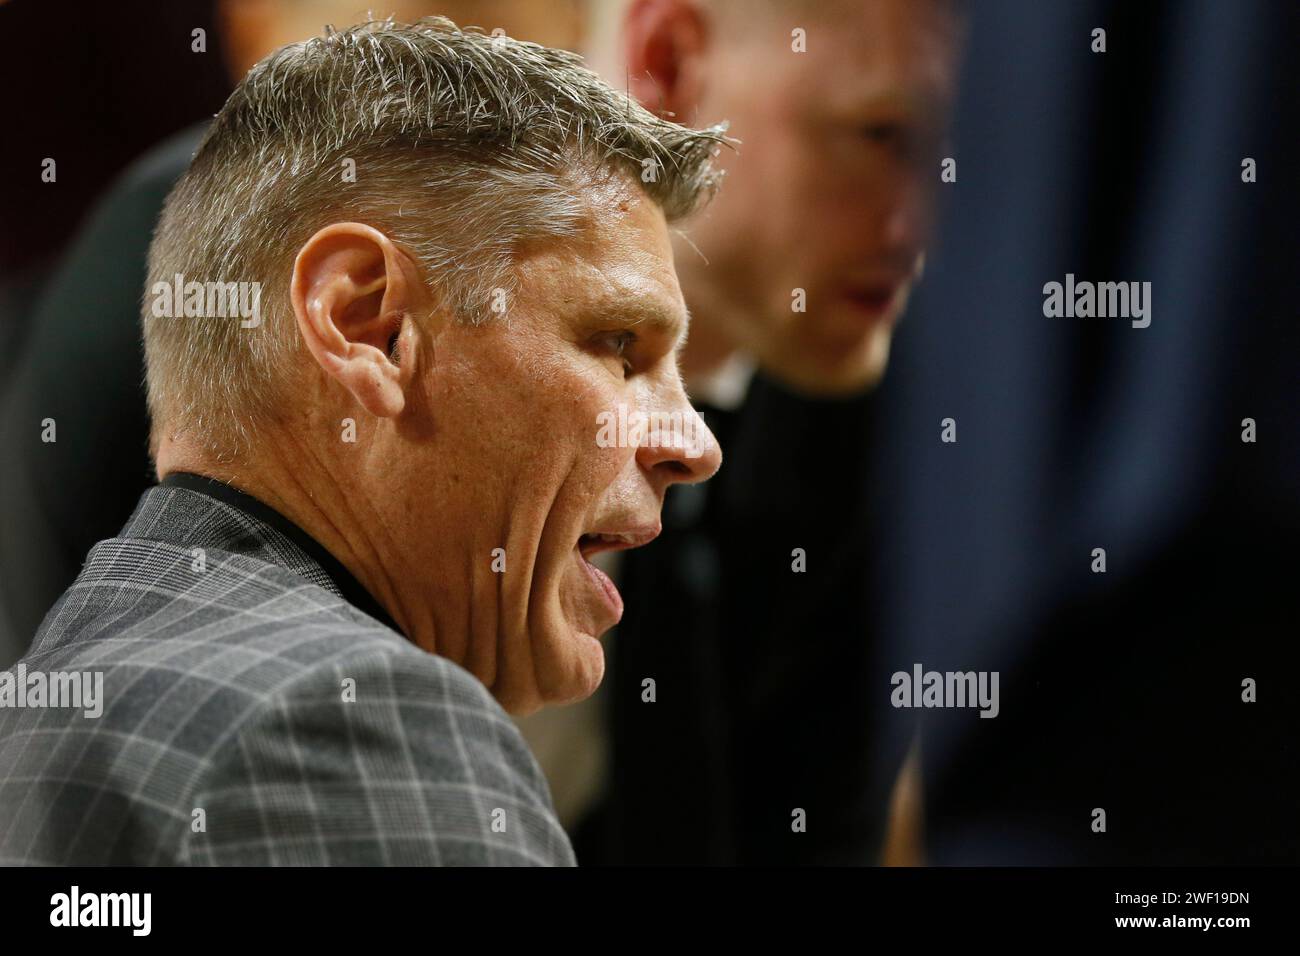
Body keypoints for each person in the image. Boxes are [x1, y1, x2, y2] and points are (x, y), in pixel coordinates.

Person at [0, 17, 721, 866]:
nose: (695, 445)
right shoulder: (345, 723)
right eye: (620, 346)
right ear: (368, 324)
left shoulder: (57, 692)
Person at [539, 0, 963, 864]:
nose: (923, 230)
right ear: (669, 65)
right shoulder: (354, 347)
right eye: (884, 136)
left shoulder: (874, 436)